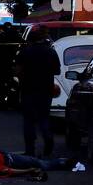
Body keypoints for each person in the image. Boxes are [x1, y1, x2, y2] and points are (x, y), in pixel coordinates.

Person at [15, 26, 61, 157]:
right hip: (45, 90)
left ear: (30, 40)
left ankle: (30, 150)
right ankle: (48, 141)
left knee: (29, 120)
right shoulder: (51, 52)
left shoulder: (24, 52)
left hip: (27, 90)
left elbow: (17, 71)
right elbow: (57, 71)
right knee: (43, 118)